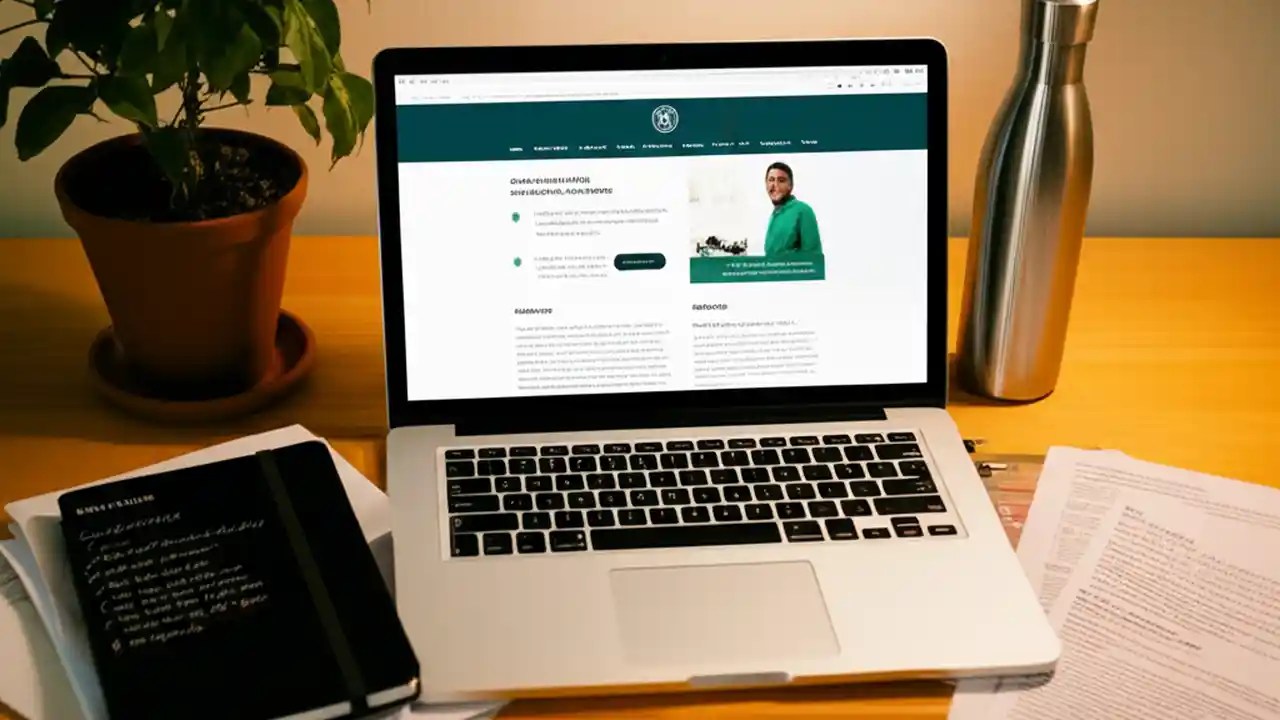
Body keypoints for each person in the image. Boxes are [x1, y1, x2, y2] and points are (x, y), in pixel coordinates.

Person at [762, 161, 822, 256]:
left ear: (790, 186)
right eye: (771, 180)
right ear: (766, 184)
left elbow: (813, 257)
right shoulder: (775, 215)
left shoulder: (803, 211)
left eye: (781, 180)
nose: (775, 185)